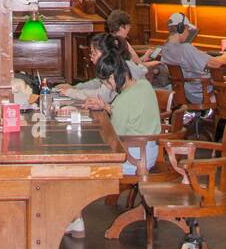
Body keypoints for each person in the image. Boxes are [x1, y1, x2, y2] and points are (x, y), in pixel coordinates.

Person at [65, 40, 162, 238]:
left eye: (108, 81)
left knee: (73, 166)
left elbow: (113, 141)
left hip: (133, 159)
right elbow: (134, 116)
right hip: (149, 151)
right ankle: (74, 219)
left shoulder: (124, 99)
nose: (109, 86)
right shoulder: (143, 86)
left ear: (115, 75)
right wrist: (107, 108)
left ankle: (75, 220)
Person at [154, 13, 226, 104]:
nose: (188, 33)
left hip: (185, 93)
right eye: (187, 29)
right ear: (181, 28)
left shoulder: (165, 49)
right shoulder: (186, 49)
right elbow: (214, 64)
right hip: (204, 94)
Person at [105, 8, 156, 79]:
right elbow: (139, 66)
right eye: (129, 26)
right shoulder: (123, 43)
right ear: (122, 27)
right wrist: (154, 63)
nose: (129, 29)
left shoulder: (106, 41)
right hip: (126, 79)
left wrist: (144, 57)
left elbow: (131, 63)